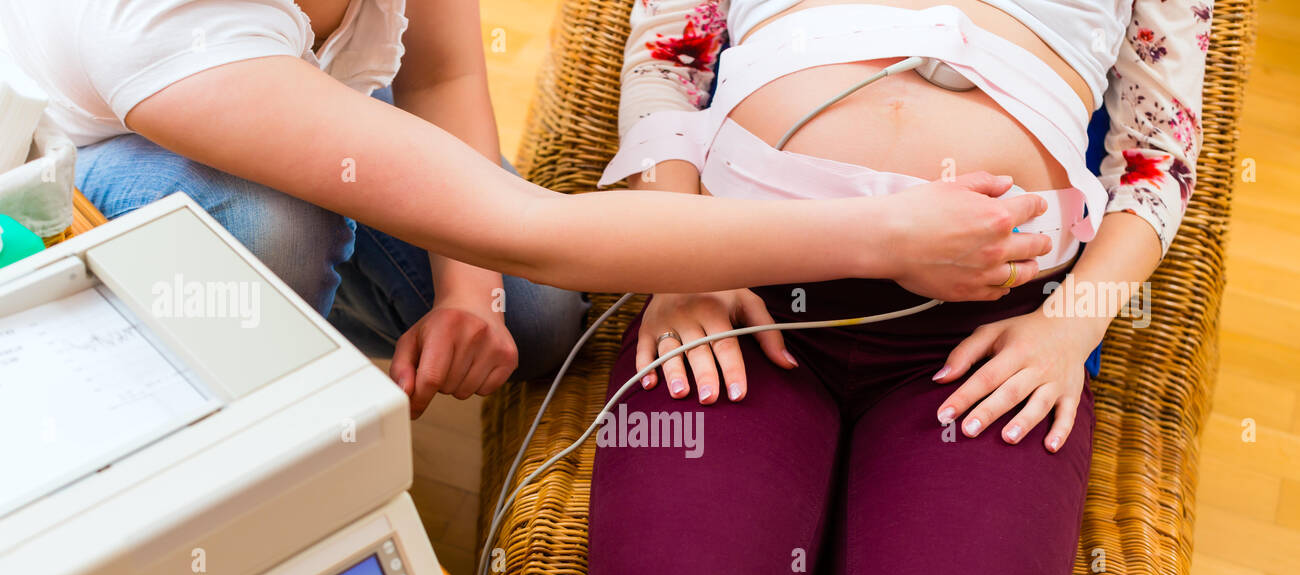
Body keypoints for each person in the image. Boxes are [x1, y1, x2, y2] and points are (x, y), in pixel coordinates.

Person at [582, 0, 1209, 575]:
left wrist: (1071, 326)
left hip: (983, 338)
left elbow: (1154, 158)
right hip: (739, 282)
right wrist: (677, 254)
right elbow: (667, 58)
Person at [0, 0, 1048, 415]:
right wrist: (884, 230)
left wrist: (468, 297)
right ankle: (262, 407)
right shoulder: (167, 28)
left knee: (534, 311)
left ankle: (326, 332)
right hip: (111, 159)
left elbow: (445, 76)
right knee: (281, 227)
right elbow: (535, 222)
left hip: (292, 99)